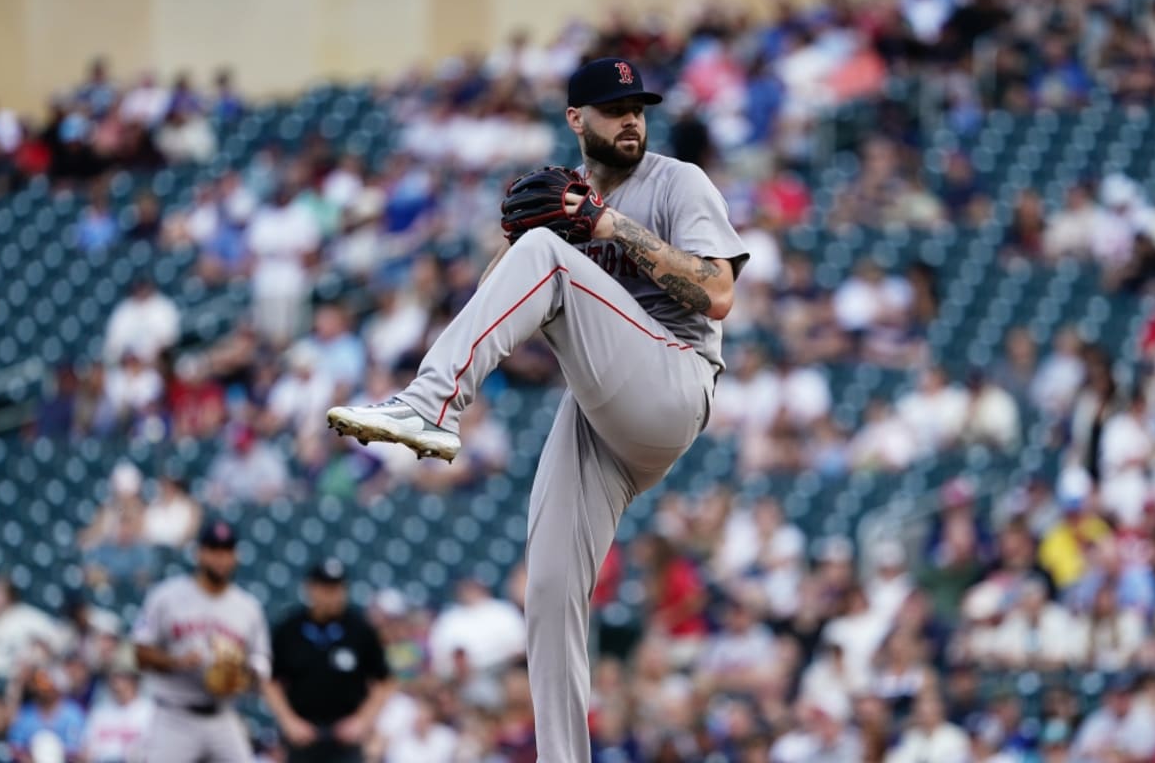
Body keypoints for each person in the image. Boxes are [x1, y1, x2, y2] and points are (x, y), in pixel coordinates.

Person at [326, 58, 747, 763]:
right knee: (549, 590)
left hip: (674, 379)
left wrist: (604, 225)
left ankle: (430, 404)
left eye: (639, 106)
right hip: (604, 408)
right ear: (577, 120)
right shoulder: (566, 197)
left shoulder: (679, 183)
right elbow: (511, 301)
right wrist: (516, 244)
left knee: (551, 255)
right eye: (615, 109)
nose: (632, 119)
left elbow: (718, 292)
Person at [131, 517, 271, 763]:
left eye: (226, 551)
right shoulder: (166, 596)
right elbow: (140, 652)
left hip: (222, 715)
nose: (220, 558)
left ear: (235, 555)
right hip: (175, 716)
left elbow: (261, 662)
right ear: (199, 553)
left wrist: (242, 675)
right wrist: (176, 662)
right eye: (213, 550)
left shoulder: (248, 608)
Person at [265, 559, 394, 763]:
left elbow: (385, 681)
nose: (332, 596)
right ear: (311, 589)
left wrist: (362, 720)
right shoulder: (290, 629)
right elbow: (269, 680)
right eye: (326, 588)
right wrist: (289, 721)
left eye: (337, 588)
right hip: (303, 735)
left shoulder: (359, 630)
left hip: (345, 737)